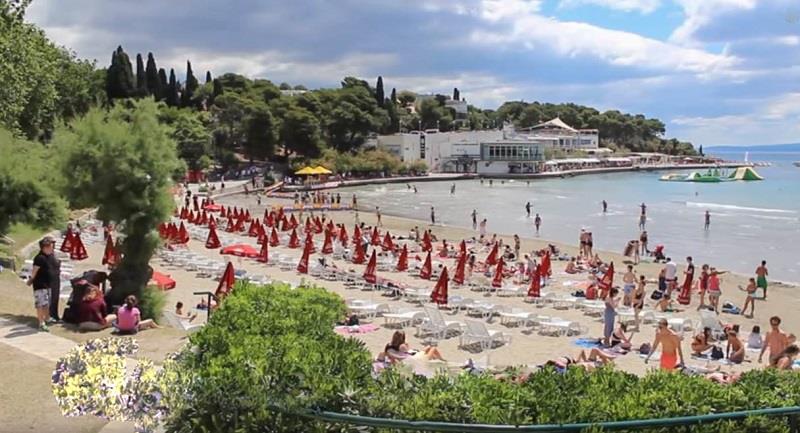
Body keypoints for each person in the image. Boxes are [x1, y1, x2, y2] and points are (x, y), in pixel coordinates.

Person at [26, 237, 60, 331]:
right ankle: (41, 323)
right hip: (40, 285)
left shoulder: (49, 256)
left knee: (46, 304)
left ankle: (47, 318)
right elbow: (34, 271)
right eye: (51, 247)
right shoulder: (39, 258)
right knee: (40, 304)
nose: (52, 249)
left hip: (48, 284)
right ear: (45, 248)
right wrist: (31, 280)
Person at [377, 331, 445, 364]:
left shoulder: (389, 347)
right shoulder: (402, 346)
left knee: (428, 348)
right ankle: (442, 360)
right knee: (433, 348)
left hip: (414, 357)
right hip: (417, 359)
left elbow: (389, 356)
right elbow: (408, 353)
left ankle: (439, 359)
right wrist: (406, 344)